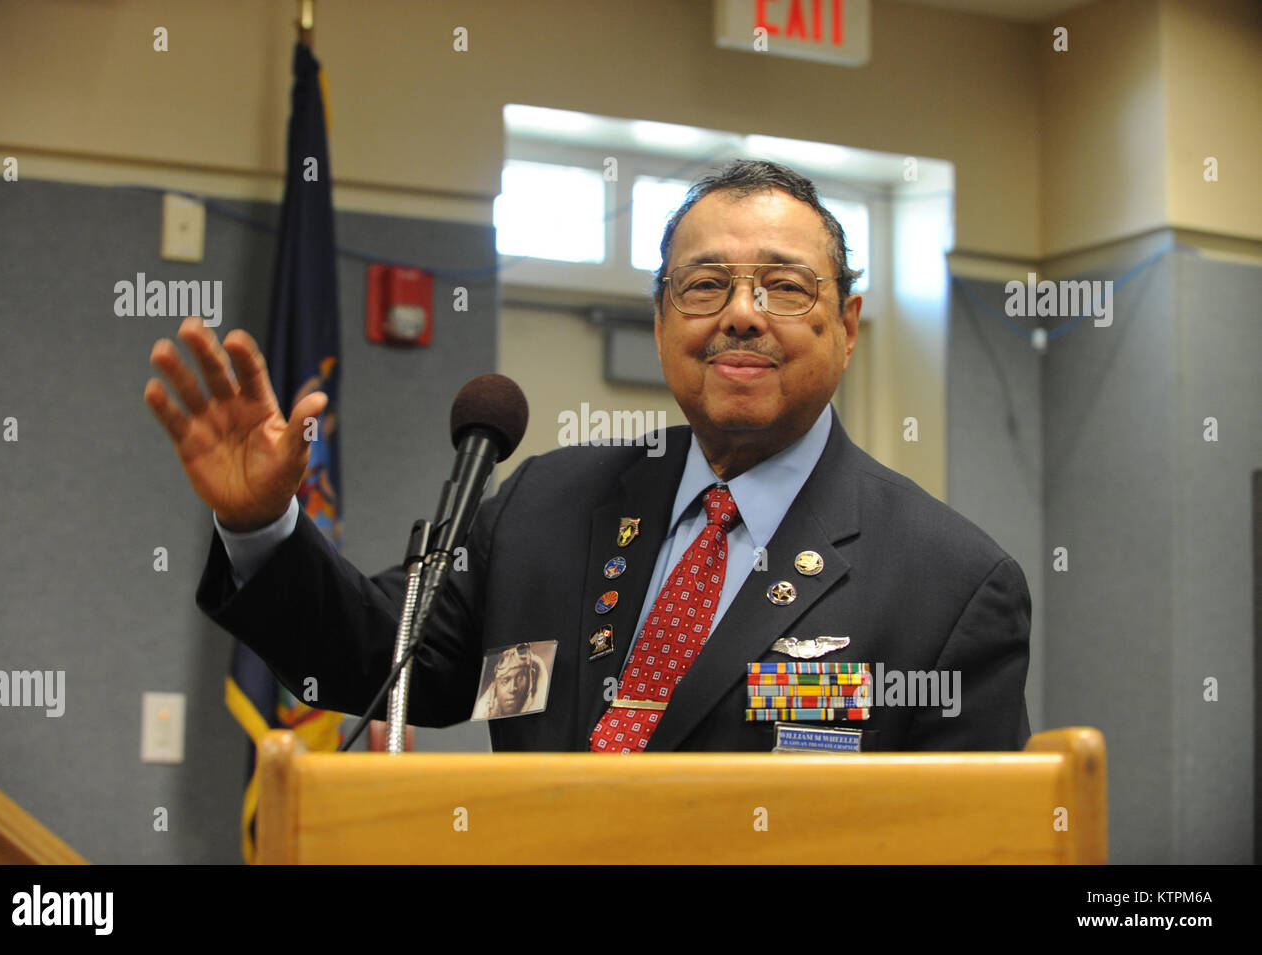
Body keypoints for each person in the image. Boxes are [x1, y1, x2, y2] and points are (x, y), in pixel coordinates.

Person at [144, 160, 1031, 754]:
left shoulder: (952, 583)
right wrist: (261, 525)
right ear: (660, 322)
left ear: (847, 328)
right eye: (705, 284)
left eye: (787, 287)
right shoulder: (546, 501)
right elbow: (381, 655)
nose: (742, 313)